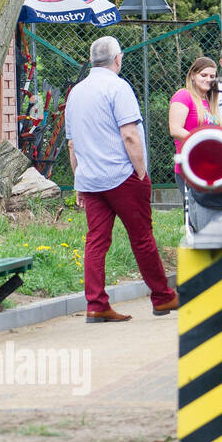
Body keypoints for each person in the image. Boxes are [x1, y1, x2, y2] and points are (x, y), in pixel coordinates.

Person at [65, 35, 178, 323]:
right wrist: (140, 171)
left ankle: (96, 303)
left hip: (90, 179)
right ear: (118, 59)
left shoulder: (75, 93)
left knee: (96, 240)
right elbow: (129, 134)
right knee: (141, 238)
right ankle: (163, 297)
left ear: (92, 60)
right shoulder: (118, 86)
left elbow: (72, 144)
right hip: (122, 175)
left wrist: (79, 179)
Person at [169, 56, 222, 233]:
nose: (208, 80)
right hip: (189, 168)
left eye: (212, 76)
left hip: (212, 169)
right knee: (196, 216)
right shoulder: (184, 95)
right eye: (204, 75)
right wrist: (202, 143)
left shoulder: (211, 102)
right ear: (193, 75)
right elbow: (175, 128)